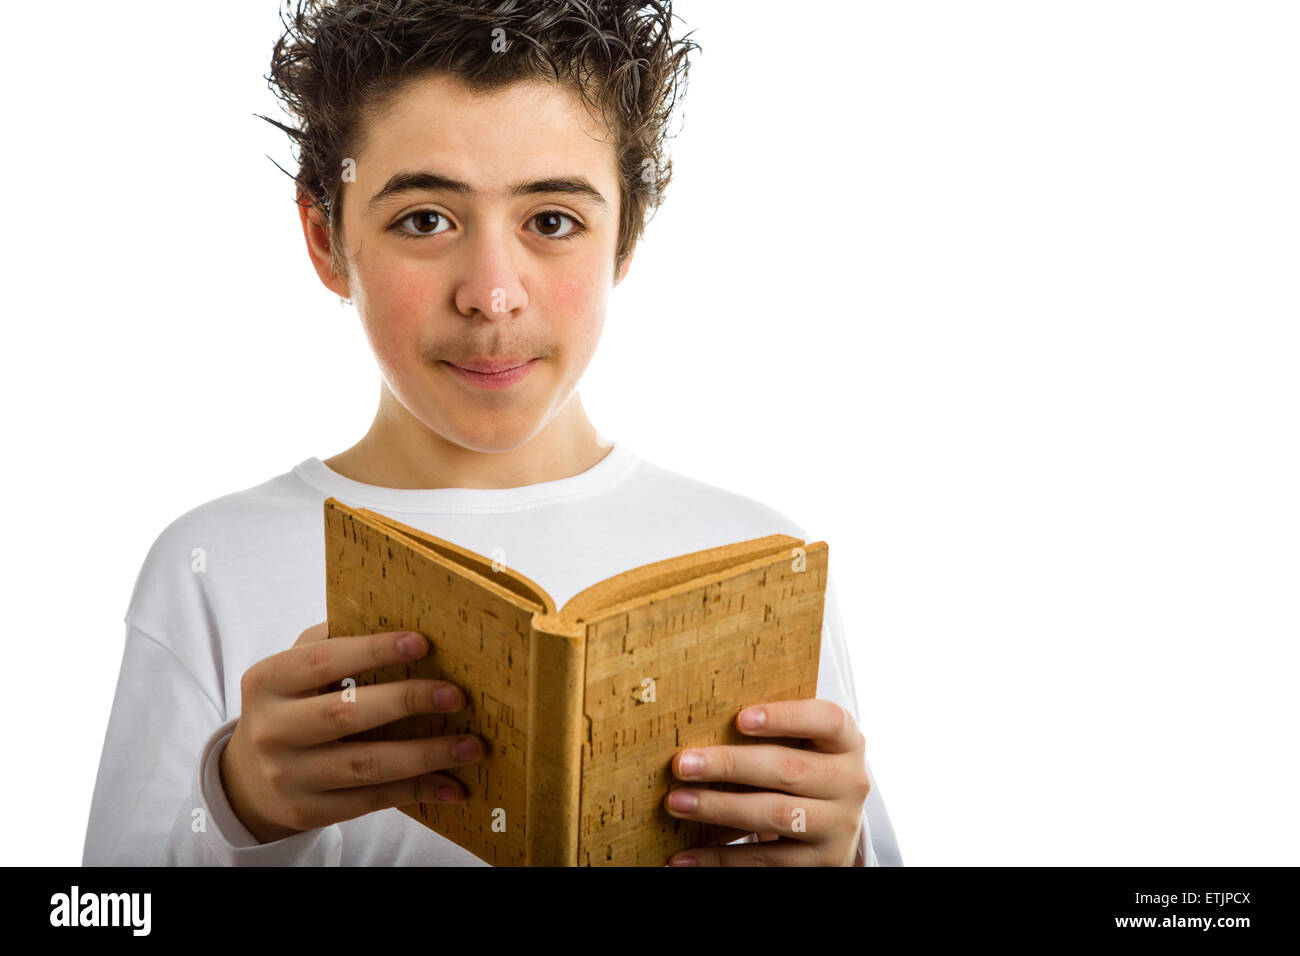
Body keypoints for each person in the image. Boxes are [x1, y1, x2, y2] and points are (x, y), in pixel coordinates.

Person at [82, 0, 901, 867]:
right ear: (327, 239)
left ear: (626, 237)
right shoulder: (210, 562)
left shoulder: (757, 558)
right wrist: (238, 806)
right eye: (425, 220)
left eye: (552, 221)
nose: (492, 294)